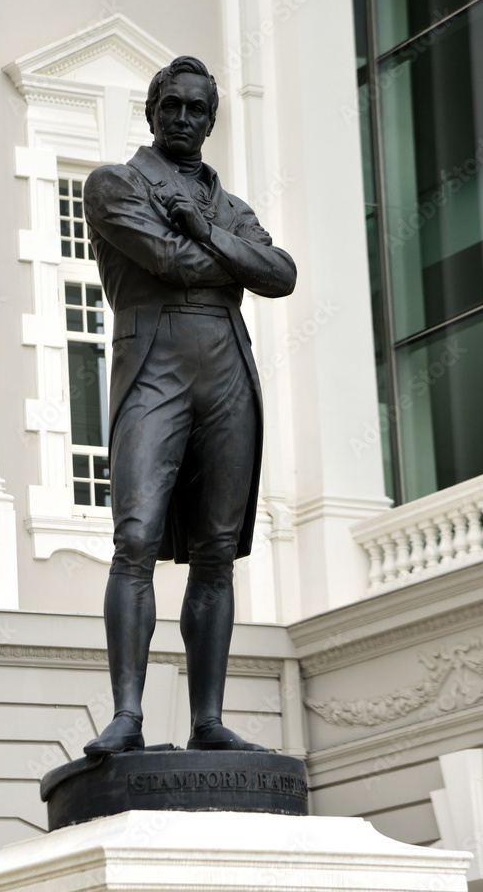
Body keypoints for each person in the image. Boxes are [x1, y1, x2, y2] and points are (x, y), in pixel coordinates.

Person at [82, 56, 296, 755]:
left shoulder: (229, 209)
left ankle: (207, 721)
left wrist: (205, 234)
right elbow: (166, 261)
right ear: (151, 111)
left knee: (214, 553)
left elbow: (282, 275)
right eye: (170, 105)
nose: (182, 118)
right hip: (155, 367)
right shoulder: (115, 183)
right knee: (135, 537)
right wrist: (232, 260)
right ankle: (127, 716)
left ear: (210, 120)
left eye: (196, 109)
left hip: (227, 369)